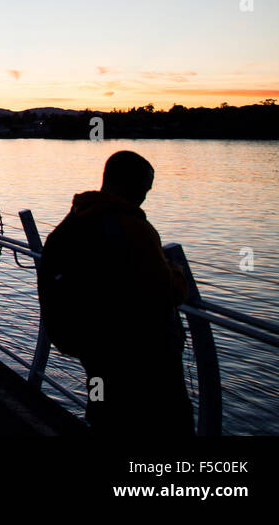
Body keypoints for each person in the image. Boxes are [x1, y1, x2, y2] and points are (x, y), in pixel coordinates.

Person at [39, 151, 192, 436]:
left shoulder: (73, 222)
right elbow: (166, 290)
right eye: (144, 189)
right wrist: (178, 272)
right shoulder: (132, 227)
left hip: (92, 347)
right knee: (169, 423)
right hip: (140, 357)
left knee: (104, 413)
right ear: (133, 185)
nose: (145, 197)